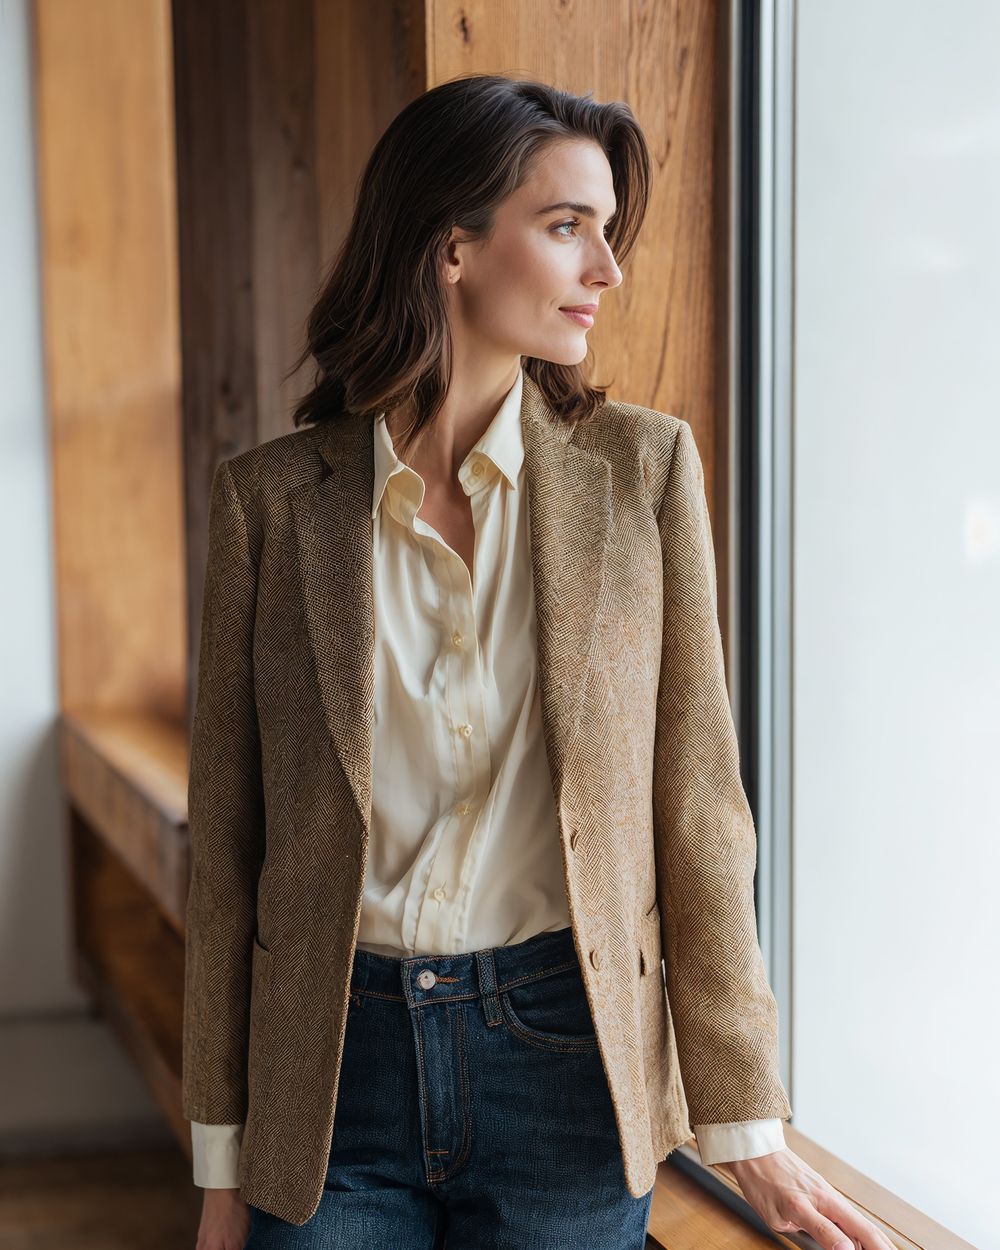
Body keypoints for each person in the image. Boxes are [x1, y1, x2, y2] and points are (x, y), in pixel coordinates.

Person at [183, 73, 894, 1250]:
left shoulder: (643, 473)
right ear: (450, 245)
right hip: (328, 1072)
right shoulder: (271, 502)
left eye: (606, 232)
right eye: (568, 228)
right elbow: (231, 845)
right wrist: (220, 1165)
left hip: (565, 1063)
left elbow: (698, 807)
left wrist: (743, 1114)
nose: (606, 271)